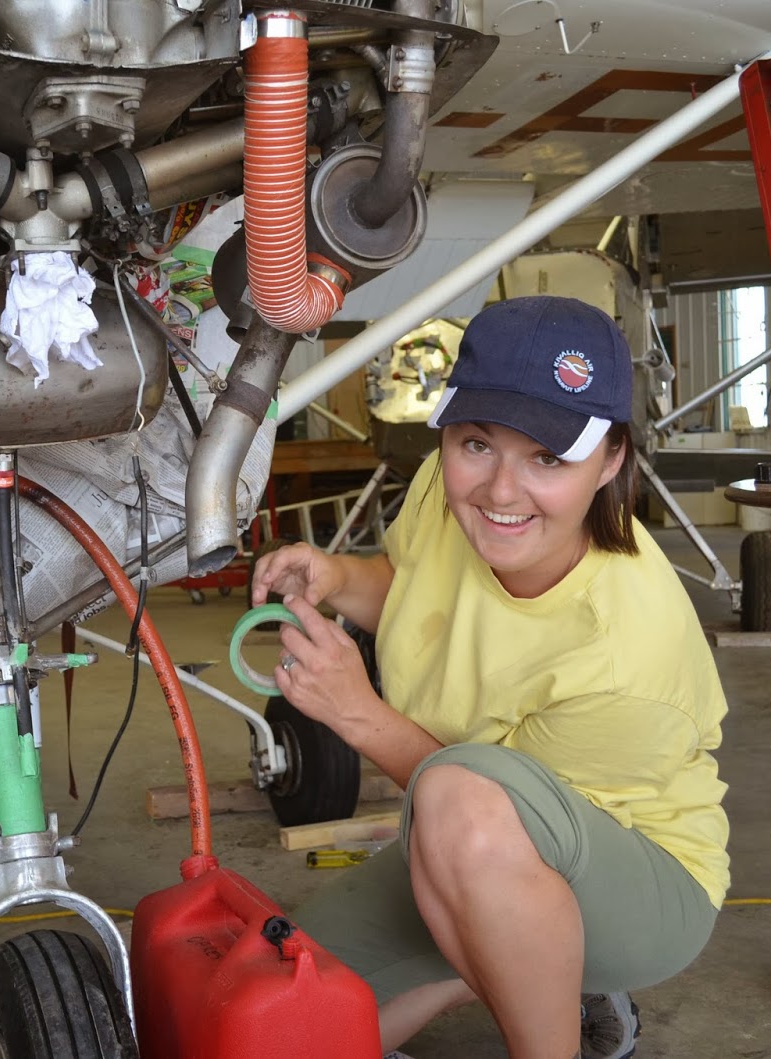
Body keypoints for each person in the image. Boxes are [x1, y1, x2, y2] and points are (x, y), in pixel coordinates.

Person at [252, 296, 728, 1059]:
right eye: (477, 443)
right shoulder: (447, 495)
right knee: (268, 1027)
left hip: (636, 875)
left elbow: (491, 812)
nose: (501, 491)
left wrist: (358, 713)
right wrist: (336, 576)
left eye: (548, 457)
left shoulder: (626, 649)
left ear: (611, 459)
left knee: (462, 809)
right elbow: (412, 591)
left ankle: (545, 1005)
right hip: (475, 849)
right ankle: (490, 961)